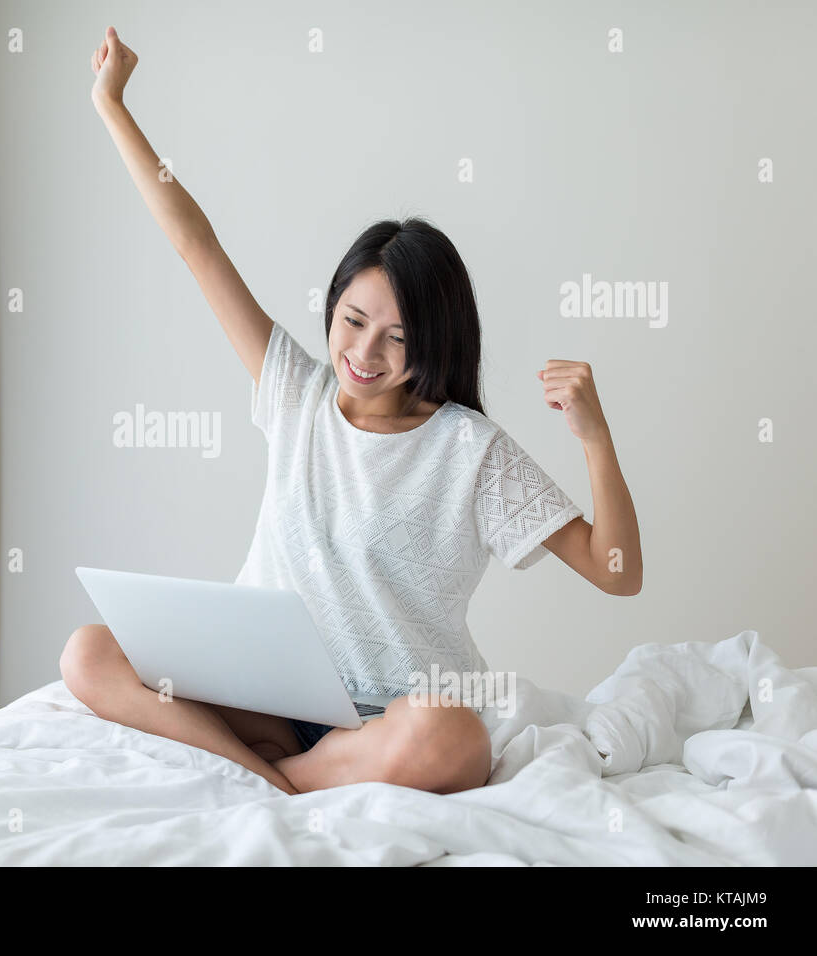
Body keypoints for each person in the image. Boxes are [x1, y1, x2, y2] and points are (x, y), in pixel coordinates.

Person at [61, 27, 643, 797]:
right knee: (89, 654)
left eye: (398, 337)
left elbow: (619, 573)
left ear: (435, 342)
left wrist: (595, 437)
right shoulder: (294, 392)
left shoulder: (468, 451)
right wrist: (112, 106)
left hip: (382, 721)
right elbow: (196, 244)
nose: (365, 351)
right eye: (353, 320)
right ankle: (277, 776)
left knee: (454, 735)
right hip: (258, 697)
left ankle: (286, 782)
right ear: (332, 308)